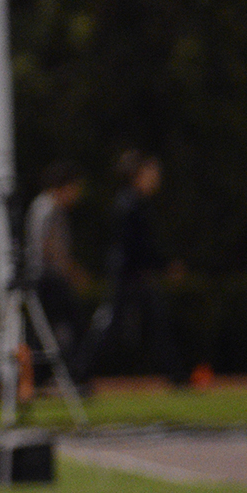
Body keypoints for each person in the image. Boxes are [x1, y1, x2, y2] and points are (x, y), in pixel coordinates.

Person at [85, 150, 191, 388]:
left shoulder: (135, 202)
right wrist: (163, 266)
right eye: (152, 172)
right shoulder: (130, 203)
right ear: (139, 174)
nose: (156, 177)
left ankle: (177, 376)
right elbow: (136, 246)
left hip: (134, 273)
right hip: (129, 275)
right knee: (113, 326)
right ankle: (78, 374)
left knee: (155, 323)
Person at [24, 161, 92, 387]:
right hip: (47, 278)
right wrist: (72, 271)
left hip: (47, 278)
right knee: (72, 325)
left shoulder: (46, 206)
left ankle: (44, 378)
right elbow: (48, 246)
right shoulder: (48, 207)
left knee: (43, 331)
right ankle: (73, 376)